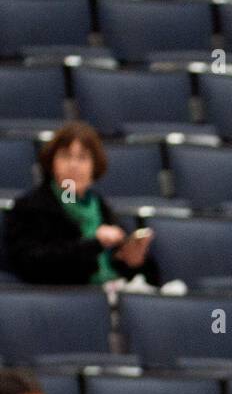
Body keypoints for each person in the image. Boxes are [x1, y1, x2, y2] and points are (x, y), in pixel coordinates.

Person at [3, 122, 159, 287]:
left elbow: (129, 269)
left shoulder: (97, 205)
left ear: (95, 167)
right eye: (65, 156)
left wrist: (132, 261)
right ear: (51, 163)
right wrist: (95, 244)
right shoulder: (32, 206)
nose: (73, 165)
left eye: (82, 157)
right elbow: (32, 264)